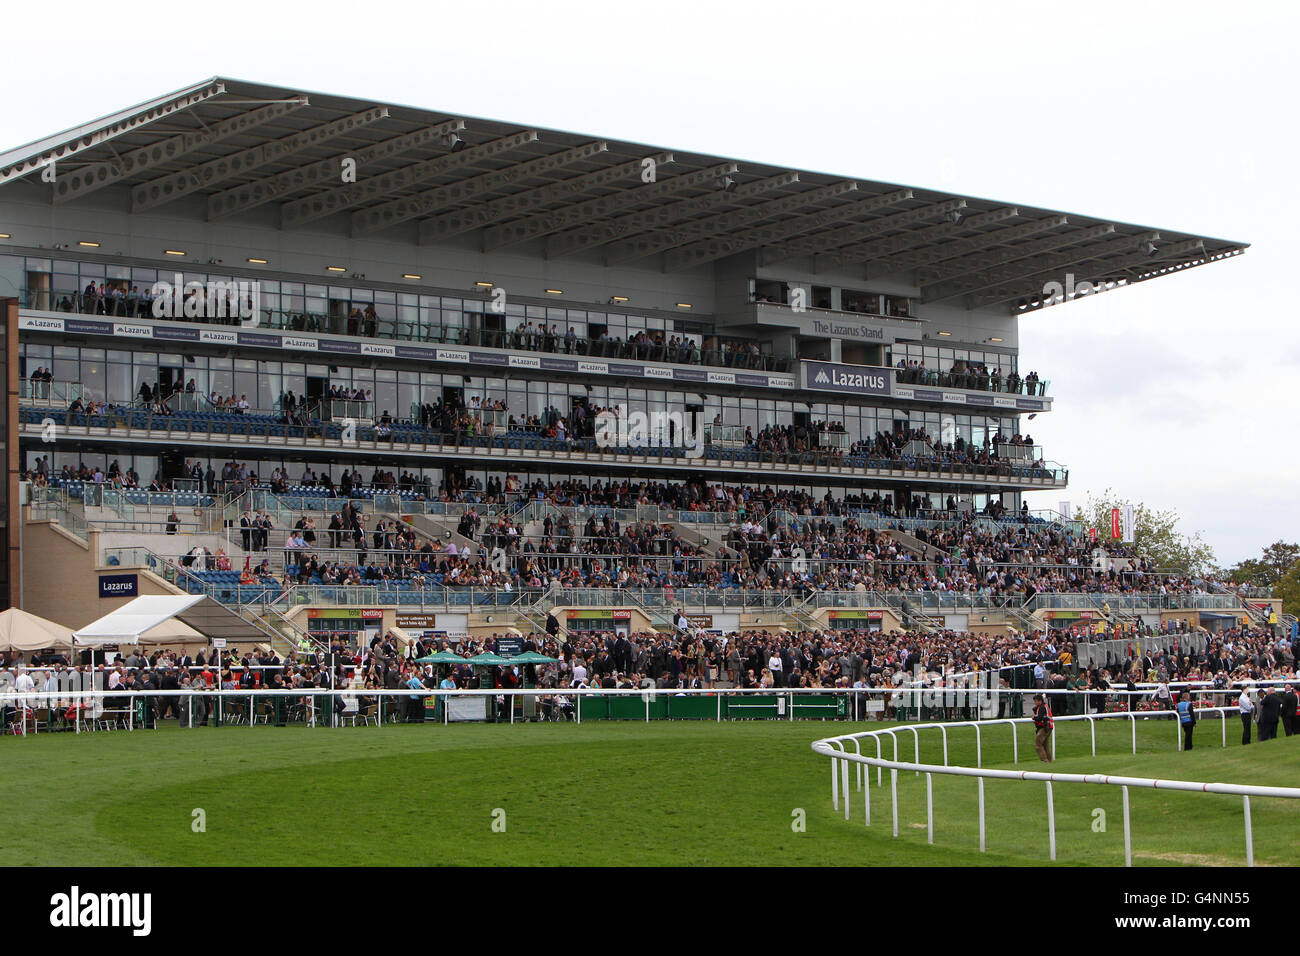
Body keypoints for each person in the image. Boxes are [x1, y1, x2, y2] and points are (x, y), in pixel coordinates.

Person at [1031, 693, 1053, 762]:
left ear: (1039, 701)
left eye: (1035, 701)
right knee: (1045, 744)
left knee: (1038, 744)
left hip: (1044, 727)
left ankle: (1044, 760)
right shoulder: (1045, 706)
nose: (1034, 703)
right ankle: (1049, 759)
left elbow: (1039, 718)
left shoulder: (1042, 707)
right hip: (1048, 727)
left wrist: (1034, 717)